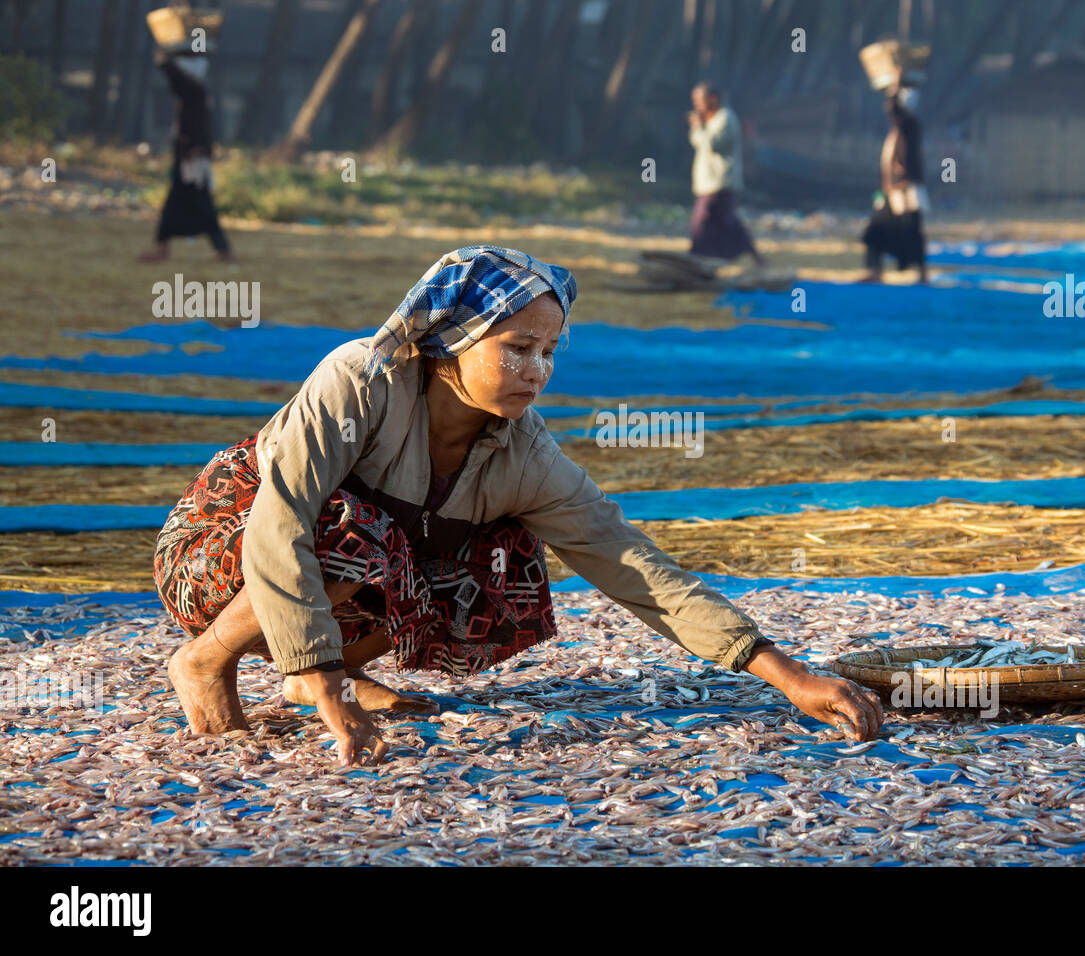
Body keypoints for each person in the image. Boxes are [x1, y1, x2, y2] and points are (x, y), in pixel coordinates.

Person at [154, 246, 882, 766]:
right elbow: (281, 519)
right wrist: (325, 691)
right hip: (218, 555)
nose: (537, 371)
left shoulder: (524, 451)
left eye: (550, 351)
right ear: (450, 346)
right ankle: (209, 663)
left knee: (505, 563)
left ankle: (306, 663)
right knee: (353, 531)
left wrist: (785, 674)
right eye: (517, 348)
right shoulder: (361, 381)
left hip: (329, 567)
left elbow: (628, 562)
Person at [139, 48, 233, 263]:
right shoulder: (193, 93)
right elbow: (178, 83)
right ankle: (165, 249)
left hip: (193, 160)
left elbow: (179, 80)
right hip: (187, 158)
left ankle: (224, 251)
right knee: (179, 205)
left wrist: (165, 63)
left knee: (201, 205)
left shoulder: (195, 92)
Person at [687, 83, 766, 268]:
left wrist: (698, 127)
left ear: (713, 99)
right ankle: (753, 258)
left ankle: (694, 259)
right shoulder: (713, 120)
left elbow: (712, 144)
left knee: (702, 222)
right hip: (710, 183)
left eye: (699, 100)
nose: (696, 105)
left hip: (719, 182)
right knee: (727, 223)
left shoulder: (725, 118)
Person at [861, 85, 927, 283]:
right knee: (875, 232)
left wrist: (896, 83)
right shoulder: (901, 127)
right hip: (893, 191)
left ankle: (922, 274)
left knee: (911, 232)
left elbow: (895, 110)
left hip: (907, 191)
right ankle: (876, 271)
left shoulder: (909, 124)